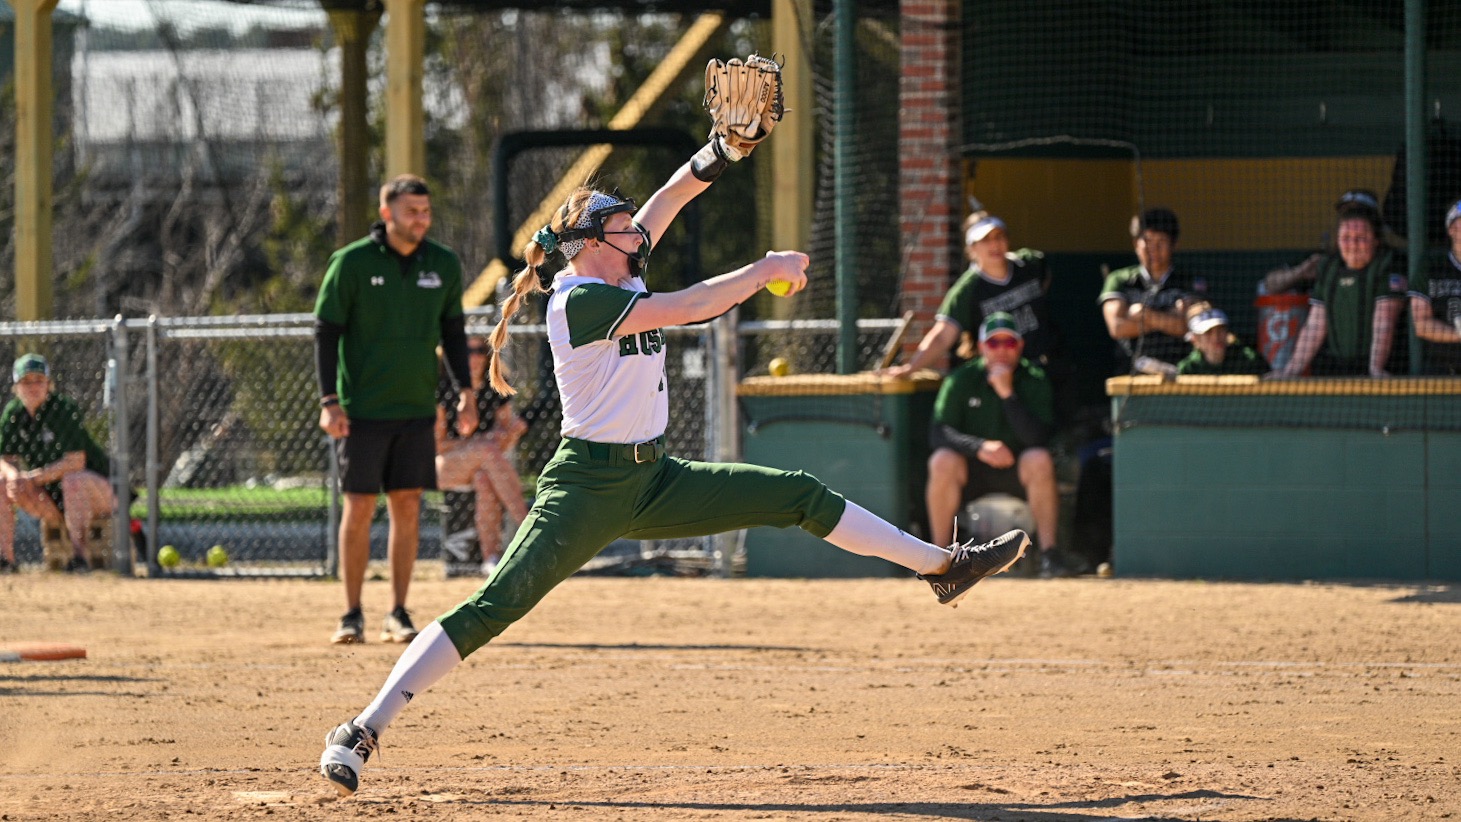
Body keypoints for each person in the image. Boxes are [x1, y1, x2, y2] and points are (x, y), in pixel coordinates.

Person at [318, 125, 1030, 798]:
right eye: (620, 224)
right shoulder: (578, 299)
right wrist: (764, 270)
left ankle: (943, 567)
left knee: (798, 494)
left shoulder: (618, 267)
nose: (636, 230)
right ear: (590, 242)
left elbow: (670, 196)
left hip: (654, 478)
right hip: (585, 487)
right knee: (493, 607)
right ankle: (362, 729)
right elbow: (691, 304)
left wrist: (719, 149)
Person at [314, 174, 479, 646]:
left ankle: (398, 613)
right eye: (412, 211)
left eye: (426, 211)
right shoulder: (351, 262)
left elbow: (452, 331)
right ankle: (351, 614)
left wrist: (465, 392)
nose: (421, 220)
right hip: (361, 410)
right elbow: (326, 332)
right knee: (359, 506)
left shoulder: (443, 264)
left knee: (407, 505)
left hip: (416, 408)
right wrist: (329, 401)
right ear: (387, 213)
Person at [925, 313, 1066, 579]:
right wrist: (979, 447)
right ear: (981, 347)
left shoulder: (1034, 377)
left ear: (1020, 346)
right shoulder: (961, 379)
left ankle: (1050, 554)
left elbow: (1037, 437)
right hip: (972, 471)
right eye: (993, 343)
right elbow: (939, 432)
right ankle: (938, 559)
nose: (1002, 350)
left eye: (1009, 343)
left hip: (1017, 470)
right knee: (942, 460)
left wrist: (1007, 394)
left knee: (1039, 458)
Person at [886, 211, 1063, 378]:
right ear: (972, 248)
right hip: (1004, 375)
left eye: (999, 236)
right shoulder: (965, 291)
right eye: (985, 240)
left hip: (1049, 365)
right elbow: (942, 336)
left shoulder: (1029, 263)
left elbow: (1048, 280)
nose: (994, 245)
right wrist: (911, 368)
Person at [1268, 194, 1407, 378]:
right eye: (1346, 238)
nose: (1353, 245)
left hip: (1386, 369)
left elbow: (1385, 323)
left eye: (1361, 238)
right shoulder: (1329, 266)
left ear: (1376, 240)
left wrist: (1375, 370)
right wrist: (1291, 370)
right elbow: (1314, 326)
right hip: (1335, 369)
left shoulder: (1389, 264)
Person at [0, 355, 116, 574]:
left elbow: (76, 462)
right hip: (53, 498)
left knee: (73, 480)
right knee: (2, 482)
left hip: (99, 492)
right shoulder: (14, 413)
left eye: (39, 380)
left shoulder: (63, 408)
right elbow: (4, 459)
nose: (33, 387)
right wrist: (14, 476)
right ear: (16, 387)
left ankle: (79, 559)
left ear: (49, 384)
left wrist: (33, 478)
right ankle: (6, 560)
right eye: (26, 381)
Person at [435, 339, 529, 574]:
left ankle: (491, 558)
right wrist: (480, 442)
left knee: (484, 479)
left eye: (480, 350)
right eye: (467, 351)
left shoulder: (494, 387)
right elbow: (437, 445)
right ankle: (530, 527)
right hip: (443, 464)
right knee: (486, 451)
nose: (474, 357)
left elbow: (503, 443)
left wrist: (511, 433)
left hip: (484, 465)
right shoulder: (443, 388)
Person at [1098, 207, 1204, 374]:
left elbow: (1190, 327)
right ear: (1136, 244)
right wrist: (1170, 317)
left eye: (1161, 241)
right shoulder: (1119, 279)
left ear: (1174, 244)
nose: (1153, 249)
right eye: (1147, 241)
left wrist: (1144, 314)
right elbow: (1117, 327)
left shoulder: (1189, 281)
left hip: (1179, 372)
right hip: (1130, 373)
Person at [1407, 198, 1461, 374]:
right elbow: (1422, 325)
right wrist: (1459, 334)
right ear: (1451, 229)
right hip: (1441, 370)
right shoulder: (1431, 264)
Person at [1176, 304, 1267, 376]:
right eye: (1208, 332)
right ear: (1195, 339)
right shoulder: (1187, 369)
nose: (1216, 337)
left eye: (1221, 330)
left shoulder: (1249, 360)